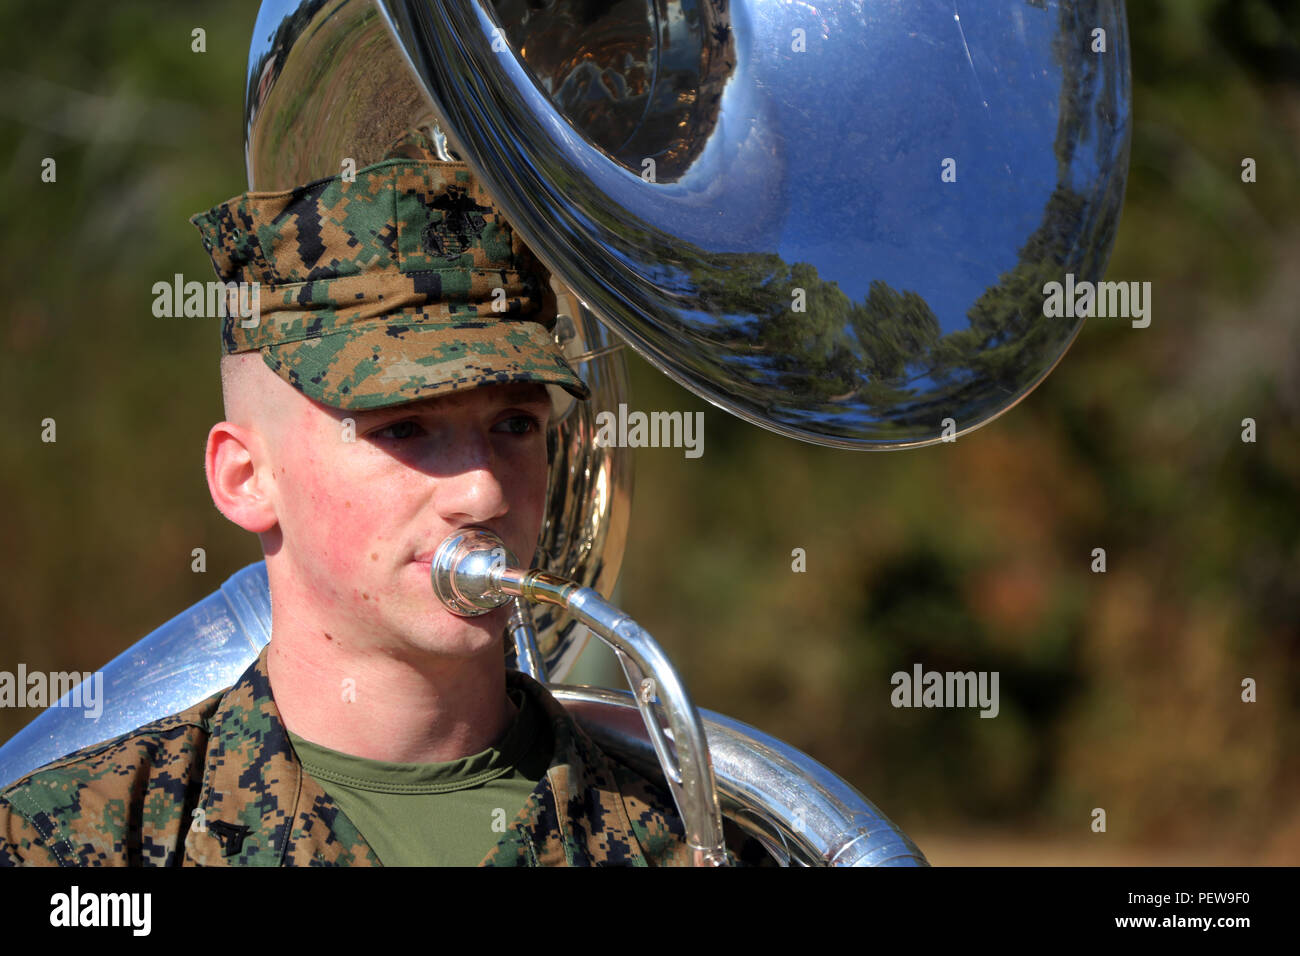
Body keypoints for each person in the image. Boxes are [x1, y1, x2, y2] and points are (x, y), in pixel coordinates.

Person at [0, 131, 765, 867]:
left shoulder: (697, 840)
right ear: (245, 478)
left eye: (514, 424)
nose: (483, 488)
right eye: (405, 428)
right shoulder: (74, 845)